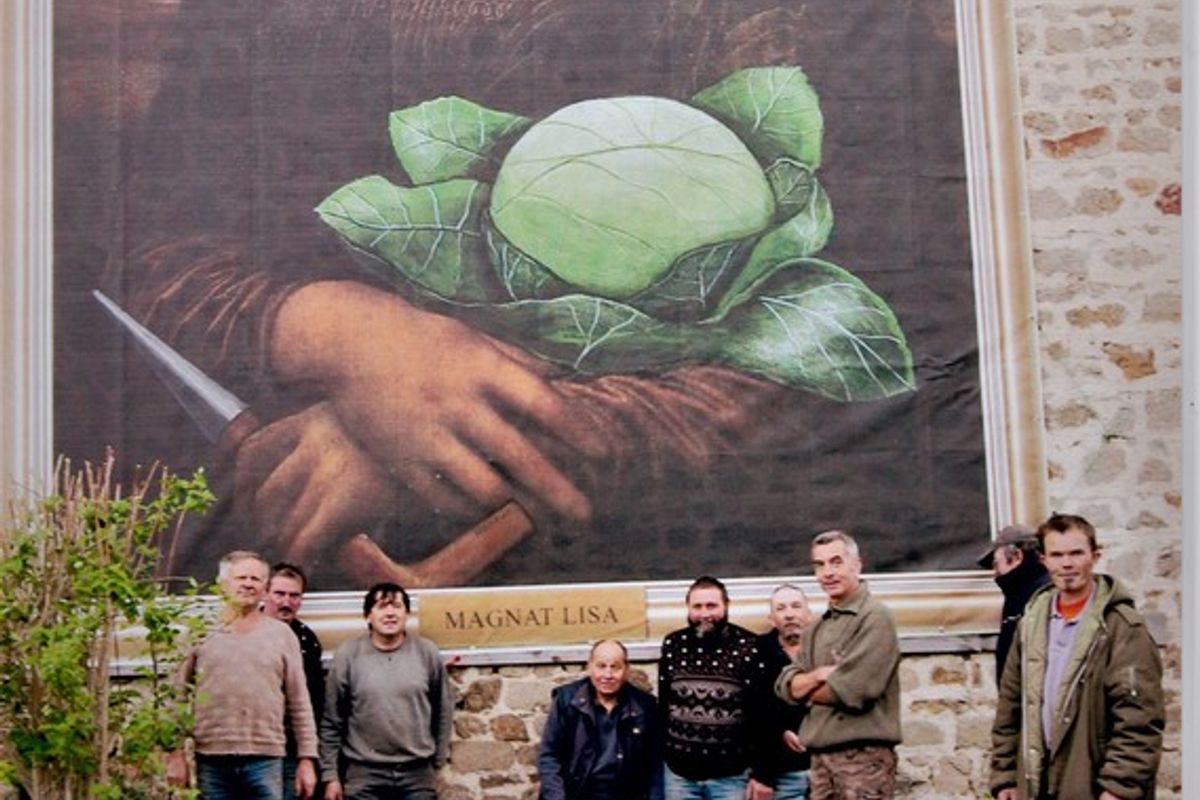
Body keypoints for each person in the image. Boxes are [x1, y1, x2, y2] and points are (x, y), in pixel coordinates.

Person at [79, 0, 984, 586]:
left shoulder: (801, 27)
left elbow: (888, 309)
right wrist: (336, 332)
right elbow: (147, 243)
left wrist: (453, 426)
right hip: (320, 563)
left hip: (695, 560)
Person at [989, 513, 1165, 800]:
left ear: (1094, 557)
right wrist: (1005, 775)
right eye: (1057, 555)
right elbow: (1010, 707)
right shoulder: (1031, 623)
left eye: (1076, 553)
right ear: (1044, 560)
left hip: (1093, 783)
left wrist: (1118, 787)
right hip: (1036, 782)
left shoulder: (1122, 626)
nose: (1067, 564)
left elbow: (1139, 719)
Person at [170, 550, 318, 800]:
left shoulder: (282, 635)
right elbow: (176, 697)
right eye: (241, 577)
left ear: (264, 587)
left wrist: (307, 759)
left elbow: (300, 703)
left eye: (256, 579)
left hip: (266, 758)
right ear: (223, 583)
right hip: (212, 759)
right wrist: (174, 754)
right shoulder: (199, 632)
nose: (249, 584)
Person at [776, 531, 901, 800]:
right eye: (819, 565)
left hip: (863, 761)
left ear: (857, 565)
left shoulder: (875, 618)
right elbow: (785, 686)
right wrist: (818, 677)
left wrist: (804, 688)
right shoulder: (815, 628)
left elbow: (857, 689)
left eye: (836, 562)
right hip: (821, 761)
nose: (827, 573)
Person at [319, 582, 453, 800]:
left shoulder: (426, 653)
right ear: (368, 616)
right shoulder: (348, 655)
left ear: (406, 614)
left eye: (397, 606)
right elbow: (332, 720)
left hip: (417, 775)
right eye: (382, 606)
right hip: (364, 775)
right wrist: (331, 775)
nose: (390, 613)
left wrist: (436, 763)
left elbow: (443, 712)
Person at [658, 576, 767, 800]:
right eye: (697, 606)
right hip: (679, 777)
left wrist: (762, 773)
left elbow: (762, 713)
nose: (705, 614)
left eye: (712, 605)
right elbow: (664, 705)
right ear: (687, 608)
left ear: (726, 606)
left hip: (731, 777)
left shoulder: (750, 646)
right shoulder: (673, 644)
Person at [537, 639, 663, 800]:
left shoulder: (645, 706)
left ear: (626, 670)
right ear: (589, 667)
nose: (608, 675)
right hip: (577, 793)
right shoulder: (567, 701)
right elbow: (549, 757)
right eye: (601, 666)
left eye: (615, 667)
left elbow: (655, 766)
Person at [264, 563, 326, 800]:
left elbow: (314, 700)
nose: (286, 602)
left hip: (293, 749)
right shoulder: (248, 633)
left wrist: (308, 756)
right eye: (279, 594)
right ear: (266, 593)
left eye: (294, 595)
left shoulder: (307, 641)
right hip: (257, 749)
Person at [754, 584, 814, 800]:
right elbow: (753, 708)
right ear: (771, 619)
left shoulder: (827, 649)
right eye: (781, 608)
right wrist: (779, 730)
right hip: (781, 774)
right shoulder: (757, 653)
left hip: (827, 769)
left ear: (808, 614)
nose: (789, 614)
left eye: (796, 606)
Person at [977, 524, 1050, 684]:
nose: (995, 574)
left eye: (997, 564)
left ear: (1017, 556)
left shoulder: (1041, 597)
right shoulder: (1019, 594)